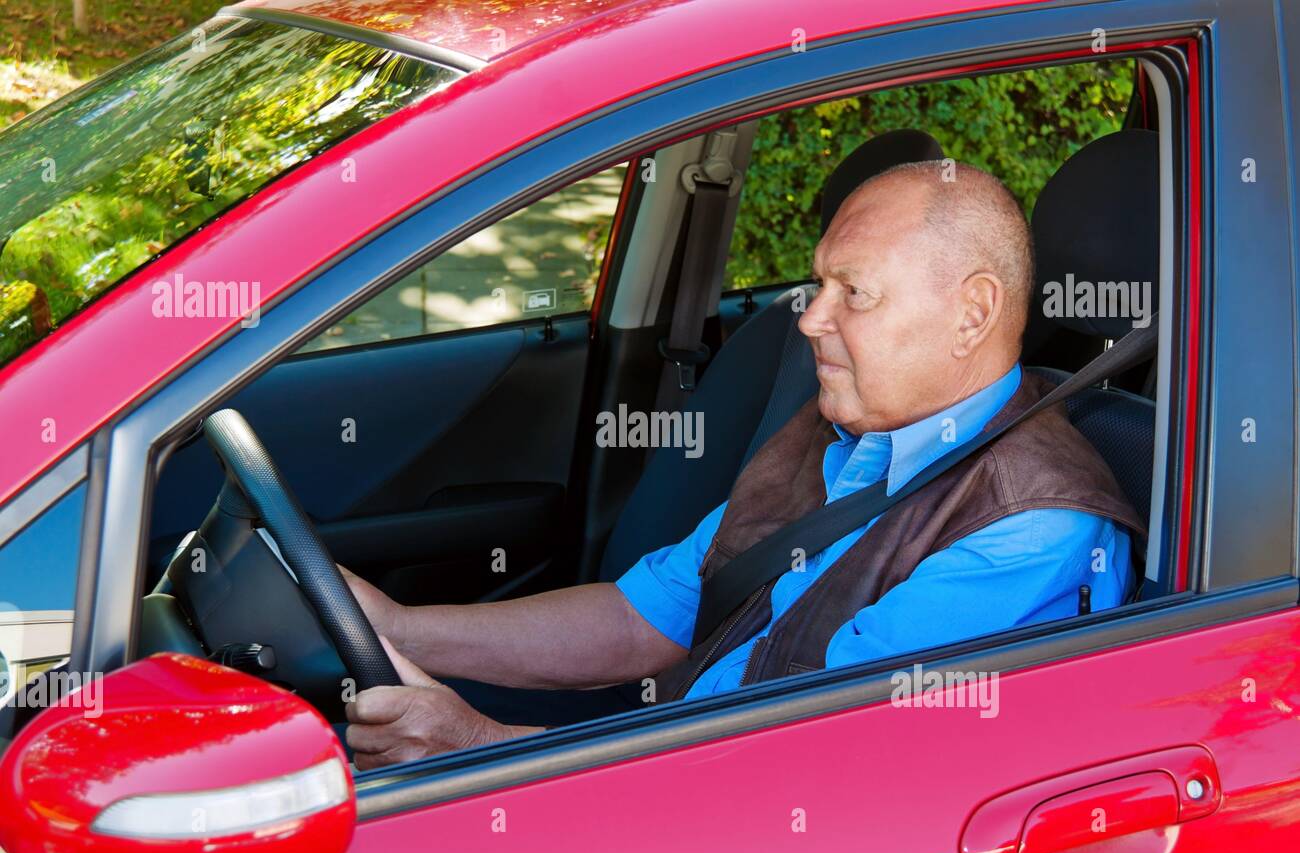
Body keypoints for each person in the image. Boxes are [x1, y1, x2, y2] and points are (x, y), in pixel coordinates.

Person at [340, 161, 1144, 770]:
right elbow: (640, 621)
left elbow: (791, 774)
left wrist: (480, 754)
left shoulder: (1028, 529)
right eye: (818, 282)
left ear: (972, 314)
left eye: (854, 293)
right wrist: (401, 630)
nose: (811, 320)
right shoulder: (839, 431)